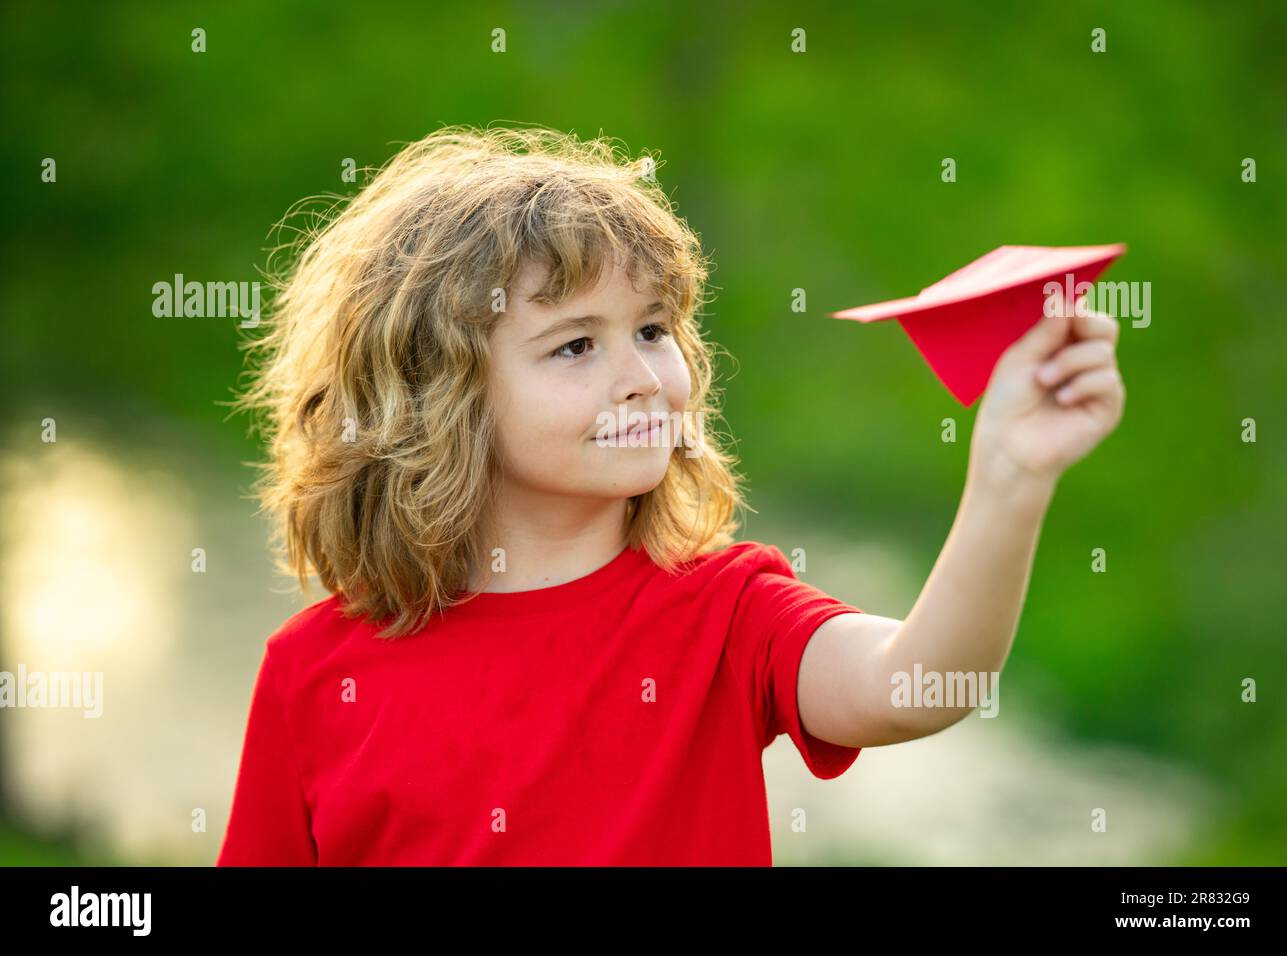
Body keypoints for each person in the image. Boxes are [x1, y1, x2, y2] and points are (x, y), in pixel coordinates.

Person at [215, 124, 1125, 866]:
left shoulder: (727, 612)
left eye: (654, 328)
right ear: (438, 398)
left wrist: (1011, 473)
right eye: (576, 345)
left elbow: (916, 686)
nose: (646, 376)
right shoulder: (313, 674)